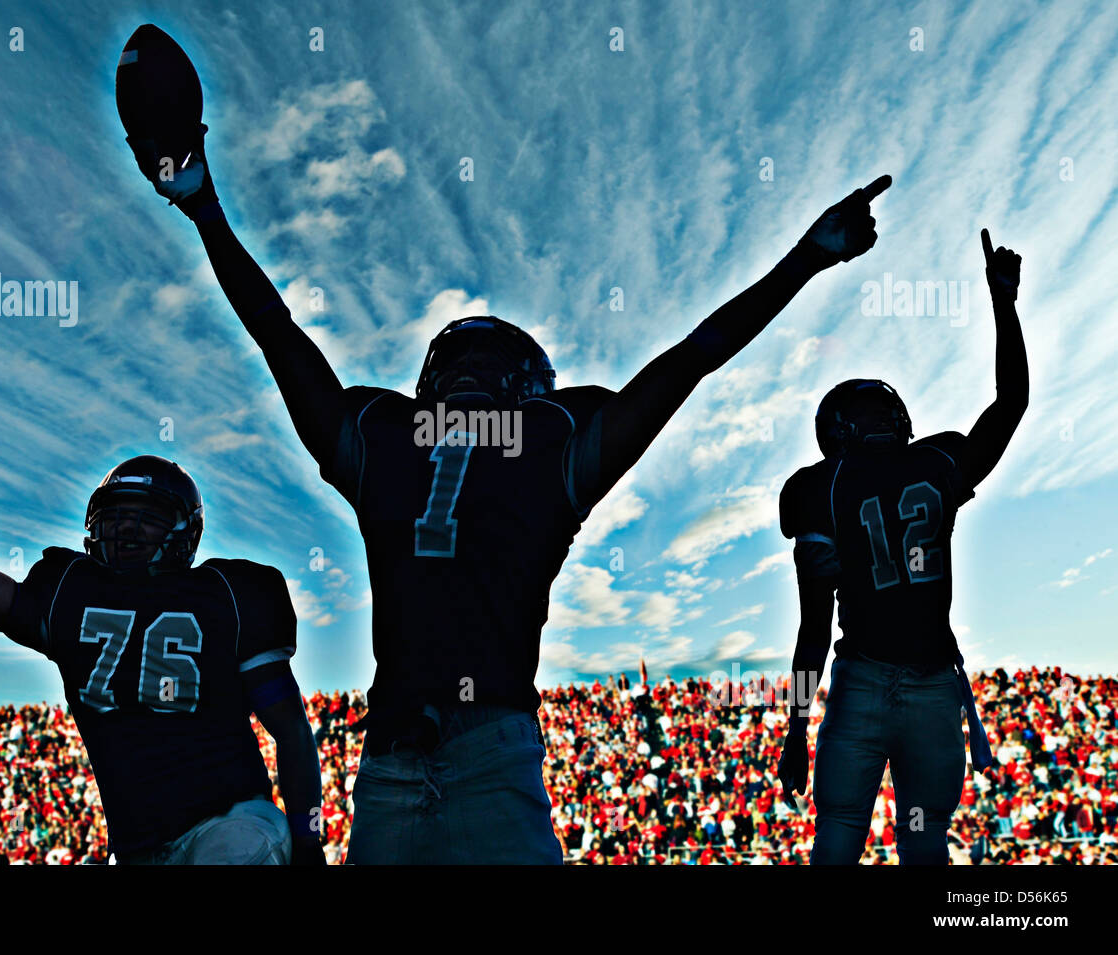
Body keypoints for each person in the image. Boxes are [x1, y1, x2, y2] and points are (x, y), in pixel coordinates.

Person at [121, 28, 891, 864]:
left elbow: (279, 335)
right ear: (532, 385)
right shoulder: (554, 439)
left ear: (431, 378)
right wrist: (806, 260)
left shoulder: (385, 433)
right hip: (491, 747)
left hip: (388, 761)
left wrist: (205, 206)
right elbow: (693, 355)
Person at [0, 390, 325, 864]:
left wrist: (309, 842)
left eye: (147, 519)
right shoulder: (72, 589)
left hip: (230, 822)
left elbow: (290, 729)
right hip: (136, 847)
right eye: (116, 517)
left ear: (186, 532)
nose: (126, 530)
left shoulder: (229, 595)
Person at [776, 229, 1027, 864]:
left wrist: (797, 725)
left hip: (867, 676)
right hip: (927, 682)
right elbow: (1011, 404)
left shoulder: (819, 487)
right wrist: (1004, 303)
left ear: (833, 433)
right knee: (922, 844)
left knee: (839, 837)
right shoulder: (936, 460)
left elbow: (813, 622)